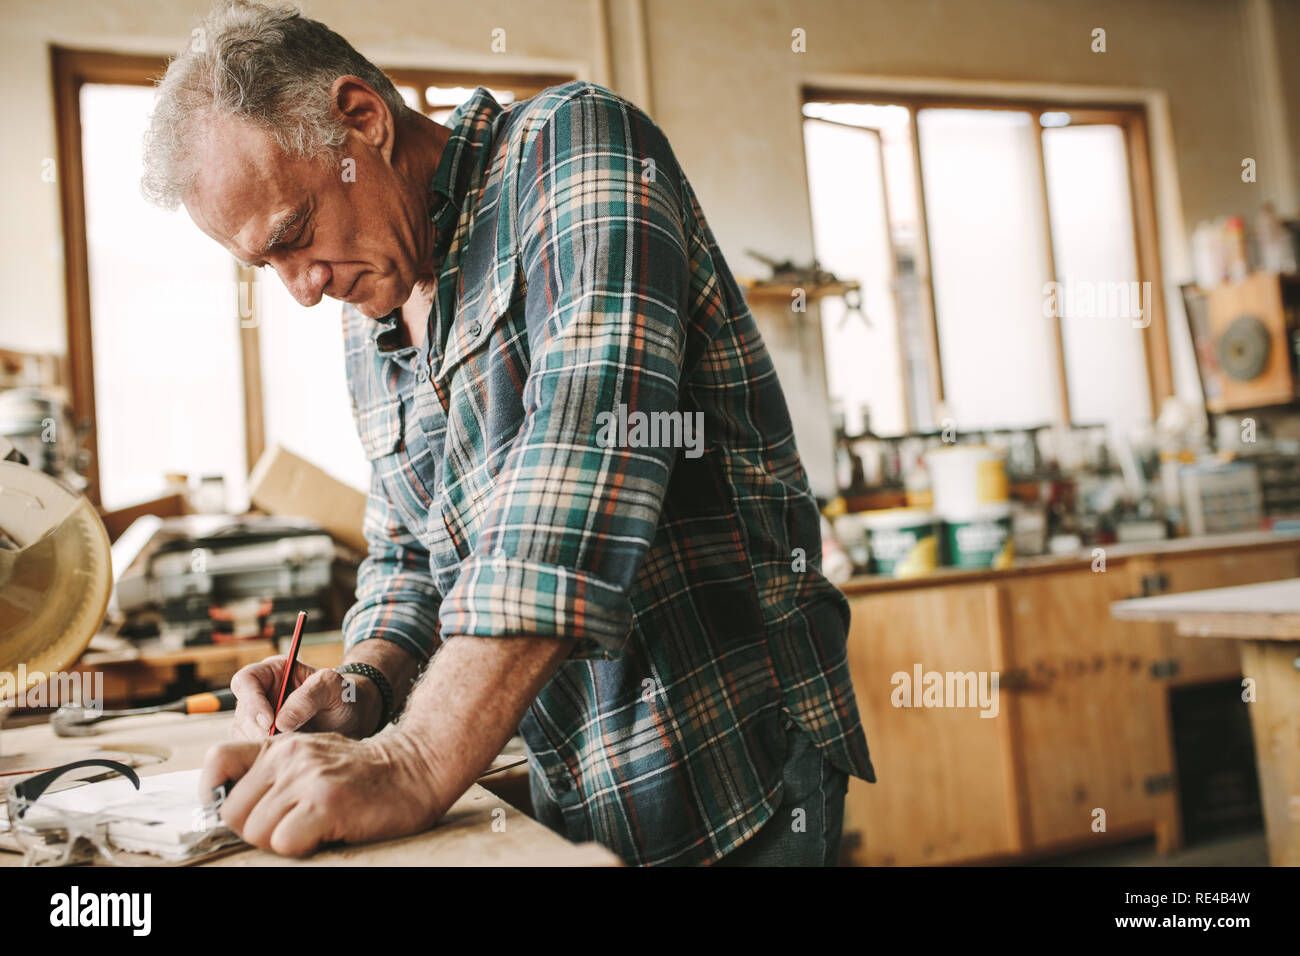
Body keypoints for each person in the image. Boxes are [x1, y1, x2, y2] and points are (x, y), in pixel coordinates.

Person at [142, 0, 875, 866]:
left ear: (363, 119)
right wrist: (361, 687)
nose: (301, 288)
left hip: (727, 758)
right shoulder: (371, 305)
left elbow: (587, 455)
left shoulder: (574, 149)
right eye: (269, 265)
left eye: (295, 235)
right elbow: (408, 553)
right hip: (570, 787)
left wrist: (411, 760)